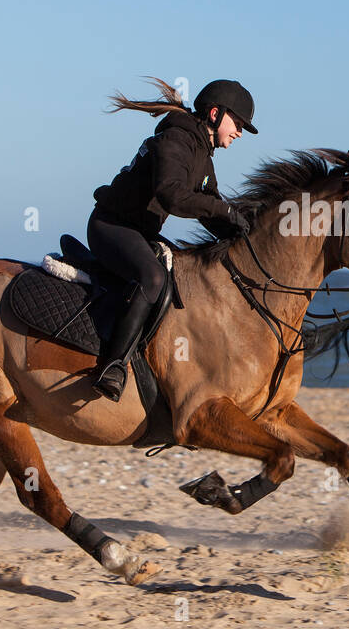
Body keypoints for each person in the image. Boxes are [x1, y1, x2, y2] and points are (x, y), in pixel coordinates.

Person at [87, 78, 257, 400]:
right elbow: (172, 196)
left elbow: (209, 211)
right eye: (238, 123)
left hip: (140, 232)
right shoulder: (176, 139)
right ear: (215, 114)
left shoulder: (203, 158)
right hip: (111, 226)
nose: (239, 132)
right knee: (151, 277)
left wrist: (243, 232)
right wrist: (225, 210)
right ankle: (113, 366)